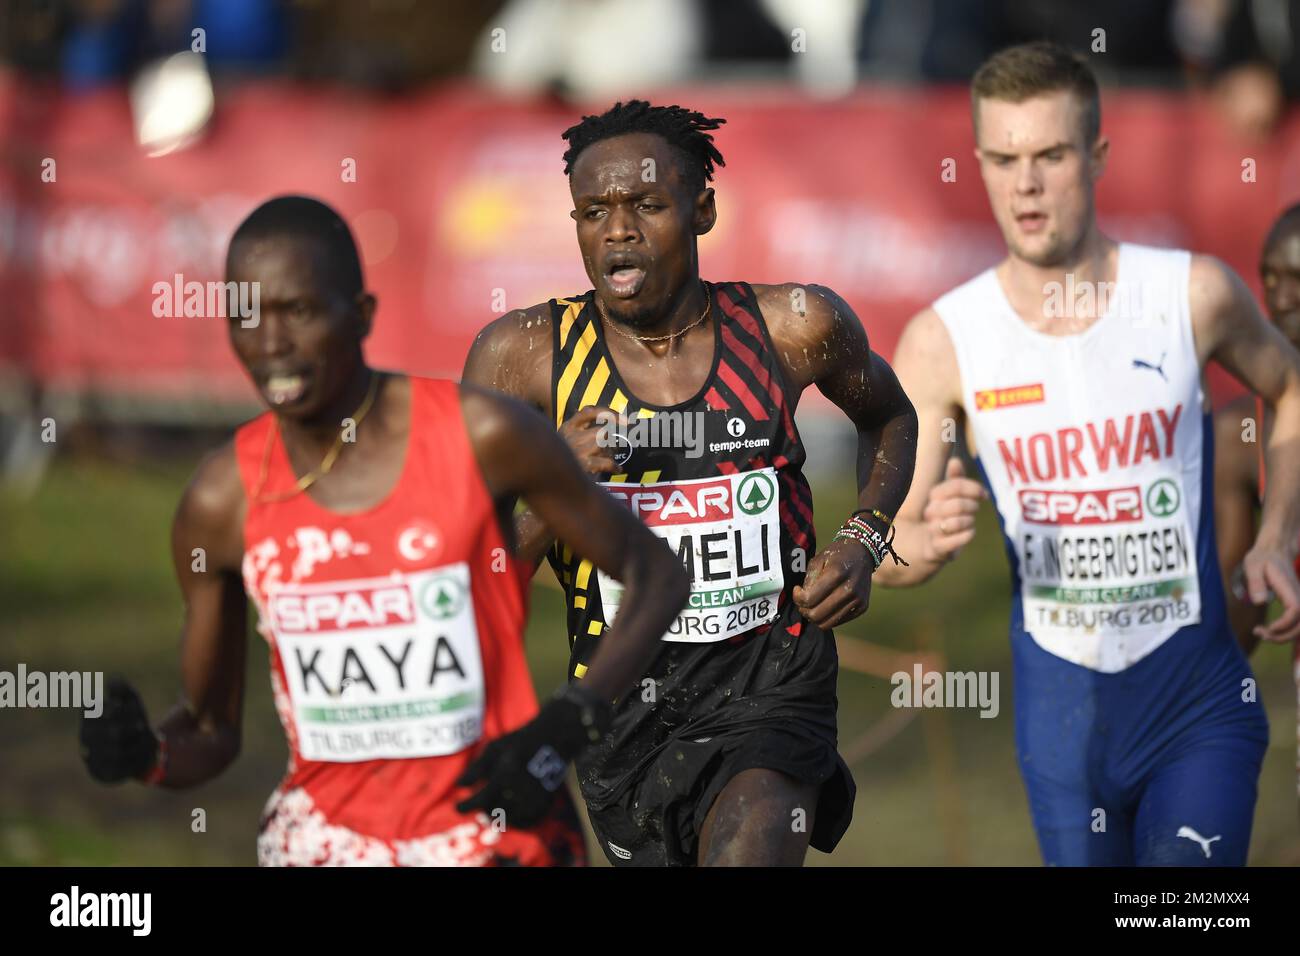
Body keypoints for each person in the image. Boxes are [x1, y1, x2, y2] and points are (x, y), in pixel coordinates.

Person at [79, 195, 689, 867]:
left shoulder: (481, 435)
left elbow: (657, 574)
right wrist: (146, 755)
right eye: (249, 316)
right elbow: (211, 731)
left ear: (362, 316)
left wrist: (566, 724)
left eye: (301, 312)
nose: (273, 343)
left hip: (491, 838)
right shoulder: (221, 502)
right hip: (326, 847)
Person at [462, 101, 918, 866]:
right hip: (618, 711)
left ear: (701, 210)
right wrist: (555, 480)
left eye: (646, 205)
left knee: (753, 836)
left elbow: (894, 417)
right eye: (595, 211)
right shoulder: (522, 359)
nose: (619, 231)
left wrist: (865, 539)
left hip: (772, 684)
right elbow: (472, 572)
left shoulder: (794, 326)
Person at [878, 41, 1300, 865]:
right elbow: (882, 549)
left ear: (1098, 156)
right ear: (979, 164)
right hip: (1061, 726)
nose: (1025, 183)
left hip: (1197, 705)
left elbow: (1290, 389)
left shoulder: (1191, 293)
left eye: (1050, 155)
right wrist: (915, 549)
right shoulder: (942, 342)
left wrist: (1278, 534)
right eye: (1002, 159)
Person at [1214, 202, 1300, 800]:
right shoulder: (1241, 439)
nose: (1282, 298)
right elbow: (1234, 635)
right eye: (1271, 277)